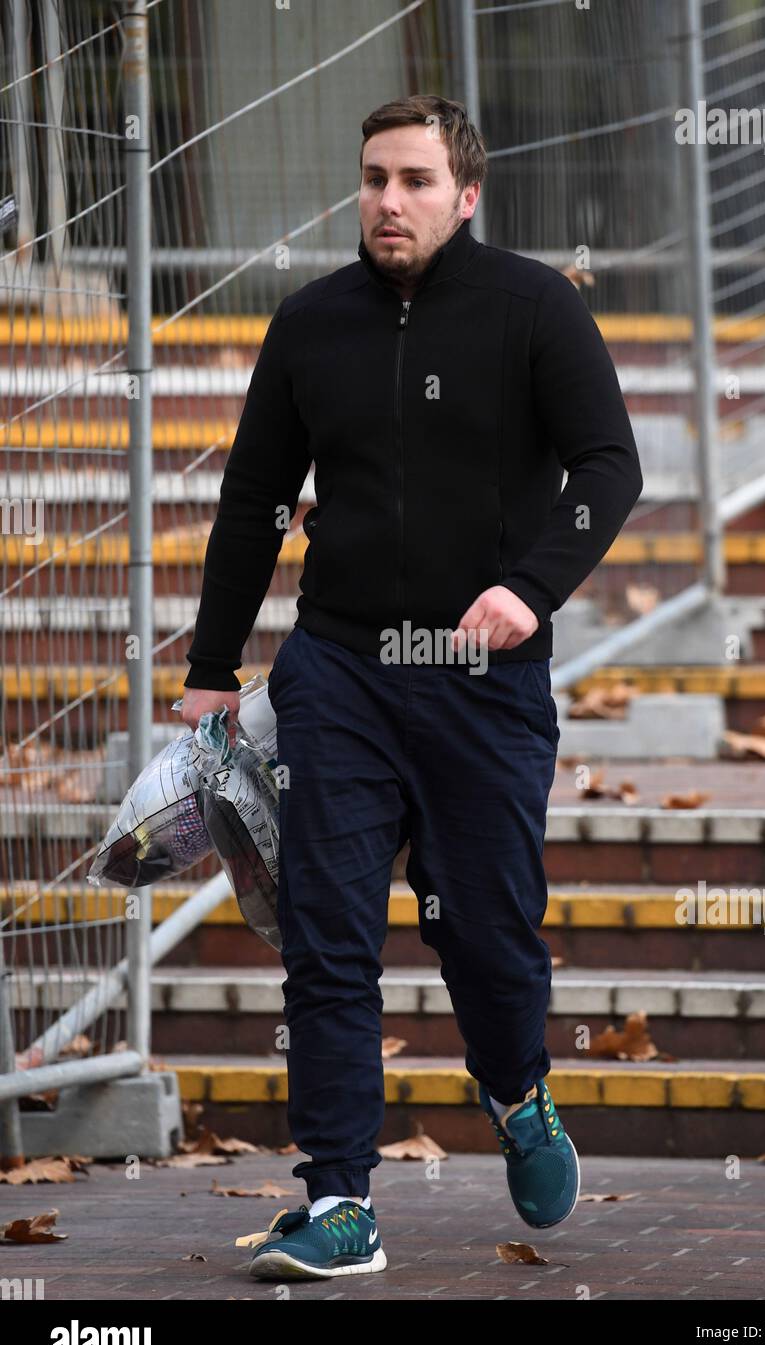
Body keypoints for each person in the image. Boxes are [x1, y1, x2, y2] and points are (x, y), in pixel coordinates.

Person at [181, 94, 642, 1282]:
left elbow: (610, 465)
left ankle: (516, 1089)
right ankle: (340, 1200)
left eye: (418, 181)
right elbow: (255, 502)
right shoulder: (311, 324)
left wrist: (532, 590)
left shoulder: (533, 307)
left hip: (483, 676)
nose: (390, 200)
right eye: (376, 177)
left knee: (487, 934)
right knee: (329, 938)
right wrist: (208, 668)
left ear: (468, 194)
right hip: (338, 667)